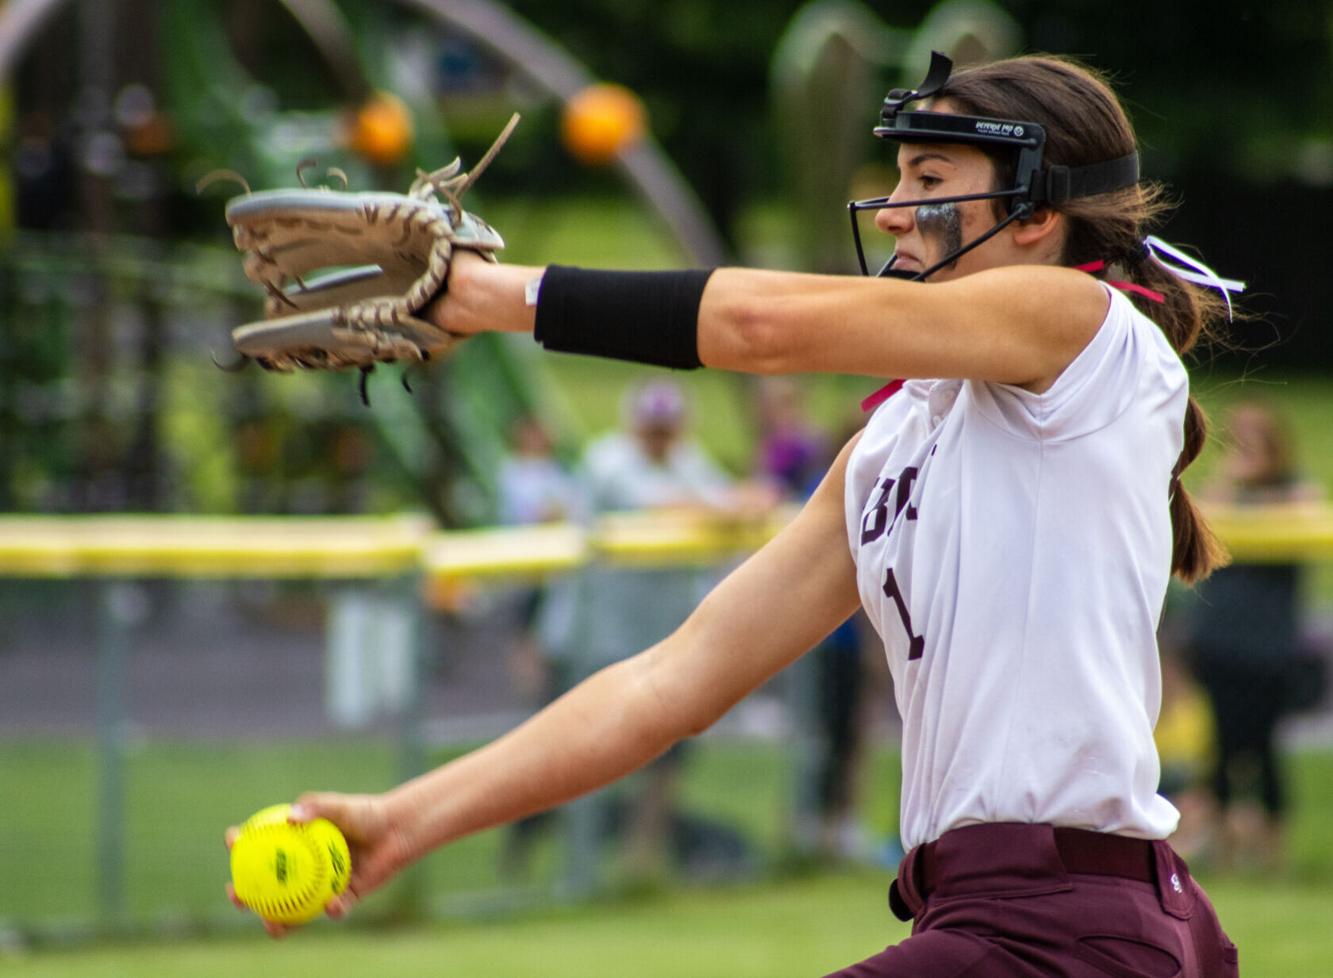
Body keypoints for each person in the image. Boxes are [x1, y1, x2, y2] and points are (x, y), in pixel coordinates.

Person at [226, 51, 1243, 976]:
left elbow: (758, 326)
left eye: (930, 180)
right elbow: (667, 684)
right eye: (897, 178)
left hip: (1063, 930)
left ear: (1034, 217)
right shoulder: (895, 443)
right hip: (1024, 927)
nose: (892, 211)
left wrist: (483, 296)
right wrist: (405, 819)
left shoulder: (1085, 321)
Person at [1185, 400, 1322, 873]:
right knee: (1223, 748)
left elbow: (1308, 515)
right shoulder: (1223, 496)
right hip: (1220, 644)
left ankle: (1272, 854)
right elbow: (1201, 521)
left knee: (1264, 748)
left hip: (1269, 649)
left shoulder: (1297, 492)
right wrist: (1231, 478)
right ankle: (1223, 850)